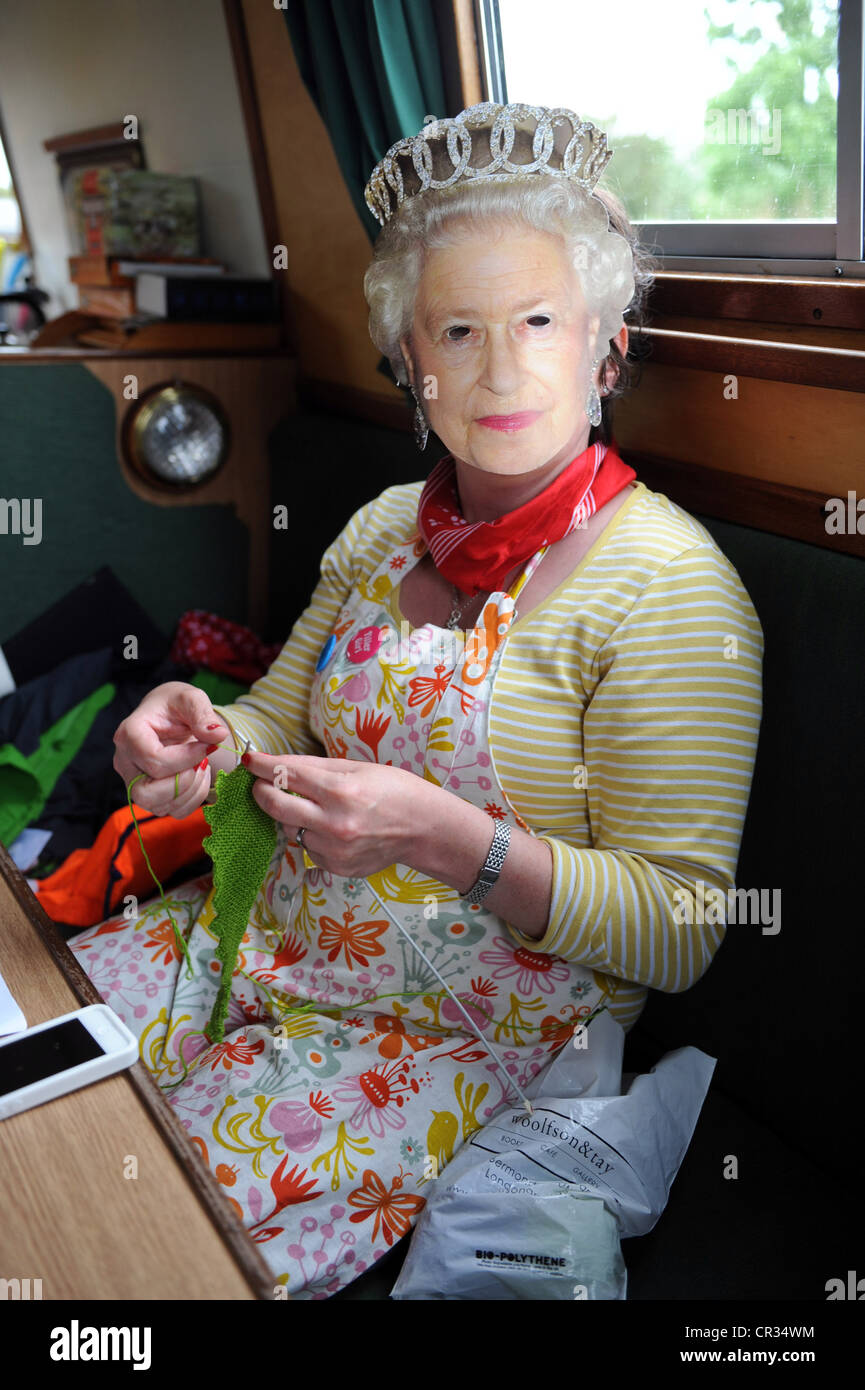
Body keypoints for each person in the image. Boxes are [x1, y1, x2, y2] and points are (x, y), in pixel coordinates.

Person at [69, 103, 763, 1299]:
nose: (501, 370)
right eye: (458, 328)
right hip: (255, 937)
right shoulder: (387, 527)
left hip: (458, 1033)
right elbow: (275, 721)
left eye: (540, 321)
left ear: (604, 347)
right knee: (44, 1079)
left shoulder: (671, 590)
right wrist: (196, 738)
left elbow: (684, 924)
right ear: (411, 362)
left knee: (113, 1242)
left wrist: (450, 842)